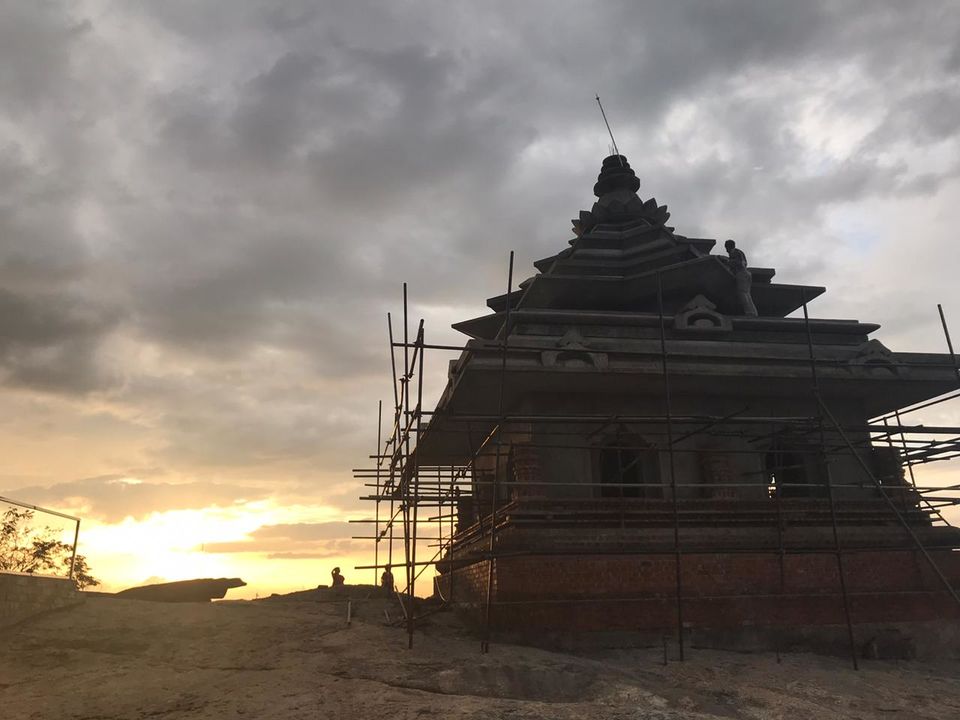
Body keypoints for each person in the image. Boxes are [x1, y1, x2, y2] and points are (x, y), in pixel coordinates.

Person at [724, 239, 758, 317]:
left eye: (726, 248)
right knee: (746, 293)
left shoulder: (735, 252)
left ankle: (750, 312)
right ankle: (753, 312)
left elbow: (741, 263)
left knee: (743, 293)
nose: (726, 251)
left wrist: (728, 262)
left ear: (728, 247)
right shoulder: (738, 252)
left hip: (742, 274)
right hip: (745, 274)